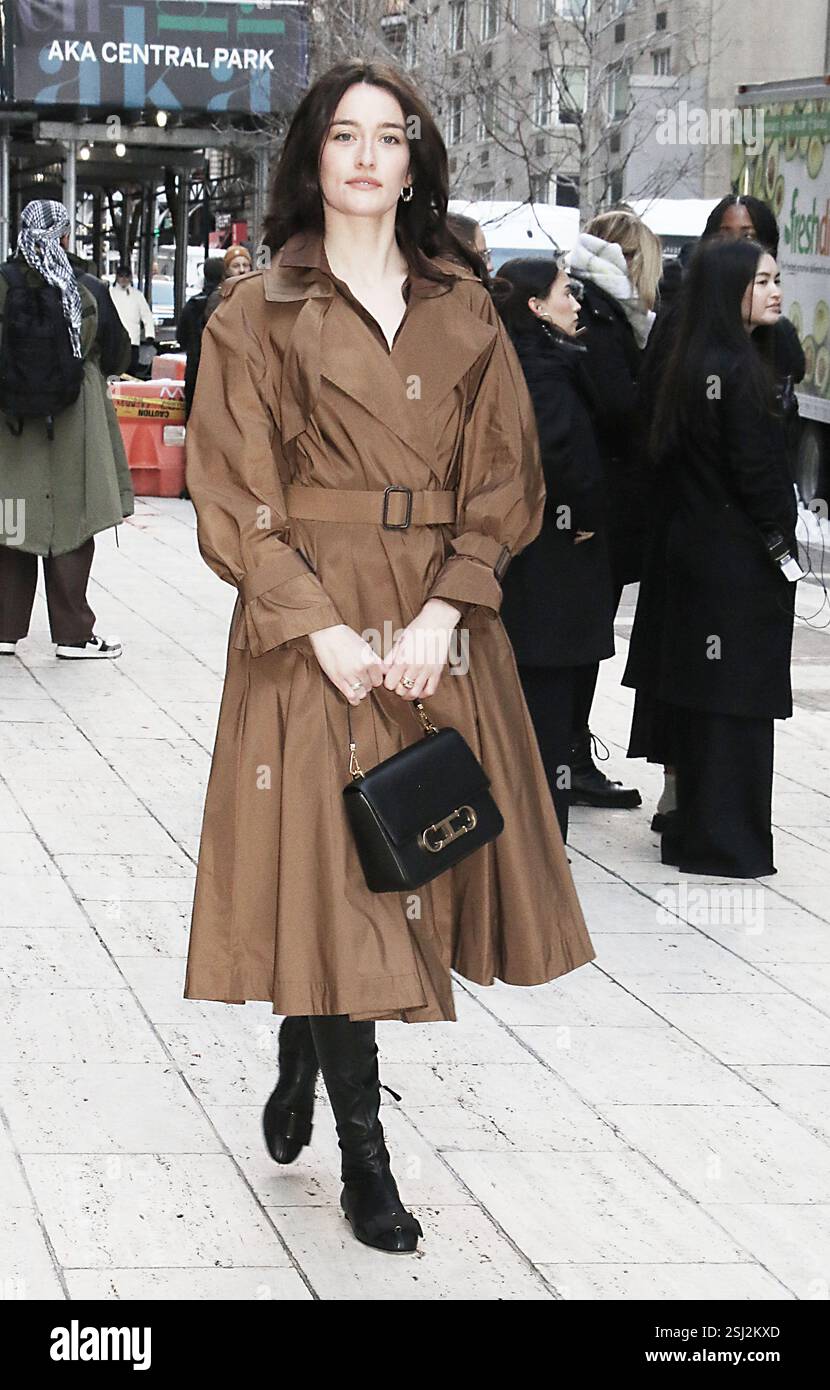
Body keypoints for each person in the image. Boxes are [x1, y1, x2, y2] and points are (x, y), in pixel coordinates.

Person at [182, 60, 595, 1255]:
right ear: (312, 156)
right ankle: (367, 1158)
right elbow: (234, 494)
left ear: (413, 162)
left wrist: (444, 614)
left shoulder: (465, 311)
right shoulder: (250, 313)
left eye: (389, 137)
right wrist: (317, 629)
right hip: (300, 632)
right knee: (332, 871)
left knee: (397, 861)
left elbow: (506, 479)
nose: (365, 156)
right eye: (343, 135)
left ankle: (300, 1041)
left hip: (432, 624)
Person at [622, 236, 797, 877]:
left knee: (707, 701)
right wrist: (784, 553)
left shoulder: (694, 361)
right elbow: (759, 482)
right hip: (736, 567)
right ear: (731, 291)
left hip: (697, 557)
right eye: (763, 281)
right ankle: (727, 842)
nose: (776, 291)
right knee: (735, 706)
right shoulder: (734, 372)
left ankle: (699, 833)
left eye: (778, 278)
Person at [494, 257, 616, 842]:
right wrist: (587, 511)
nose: (577, 304)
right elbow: (559, 460)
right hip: (548, 571)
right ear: (537, 307)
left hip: (534, 571)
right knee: (544, 715)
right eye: (567, 293)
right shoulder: (542, 370)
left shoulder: (521, 361)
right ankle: (540, 846)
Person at [0, 200, 133, 659]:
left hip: (11, 428)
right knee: (73, 525)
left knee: (11, 521)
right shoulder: (86, 287)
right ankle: (74, 635)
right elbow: (119, 354)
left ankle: (3, 630)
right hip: (75, 423)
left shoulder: (2, 282)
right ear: (62, 235)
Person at [564, 209, 662, 810]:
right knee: (585, 637)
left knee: (587, 634)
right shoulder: (603, 320)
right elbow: (622, 413)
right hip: (593, 510)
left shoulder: (593, 310)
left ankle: (571, 754)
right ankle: (570, 758)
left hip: (591, 508)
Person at [178, 258, 225, 418]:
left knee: (193, 418)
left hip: (194, 367)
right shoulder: (225, 303)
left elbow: (181, 337)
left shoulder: (192, 304)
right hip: (219, 370)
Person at [109, 263, 156, 375]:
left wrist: (150, 334)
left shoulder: (137, 295)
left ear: (130, 278)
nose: (124, 279)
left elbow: (146, 315)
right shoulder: (110, 293)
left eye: (126, 276)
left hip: (132, 341)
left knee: (131, 370)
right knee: (114, 371)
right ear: (117, 277)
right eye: (121, 276)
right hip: (114, 340)